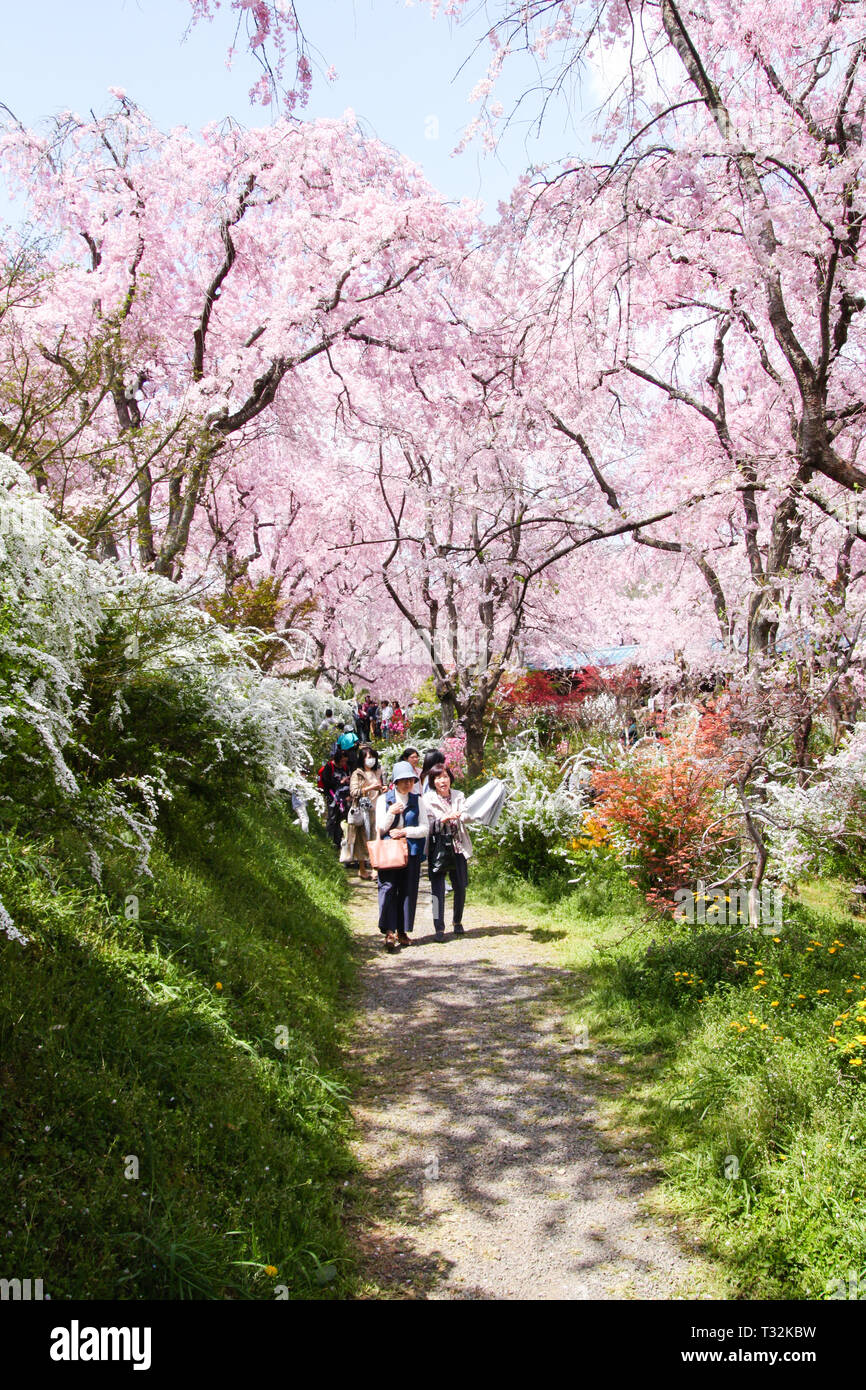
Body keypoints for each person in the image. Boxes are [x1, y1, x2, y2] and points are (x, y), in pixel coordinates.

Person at [375, 760, 429, 952]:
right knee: (388, 888)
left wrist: (406, 831)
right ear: (395, 782)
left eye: (411, 780)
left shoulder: (418, 800)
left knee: (408, 890)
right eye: (403, 780)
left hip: (411, 851)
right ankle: (388, 931)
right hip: (390, 852)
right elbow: (380, 828)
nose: (407, 784)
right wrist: (391, 813)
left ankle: (402, 930)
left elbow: (425, 828)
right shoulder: (384, 800)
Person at [423, 765, 475, 940]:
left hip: (458, 845)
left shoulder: (459, 796)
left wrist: (461, 815)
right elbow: (427, 825)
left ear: (450, 778)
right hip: (438, 847)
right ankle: (439, 927)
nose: (442, 781)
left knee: (460, 886)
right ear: (432, 781)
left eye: (444, 776)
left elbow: (469, 816)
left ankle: (457, 921)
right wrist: (441, 820)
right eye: (437, 778)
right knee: (437, 889)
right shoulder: (427, 799)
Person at [348, 744, 385, 880]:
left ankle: (375, 868)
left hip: (378, 809)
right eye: (369, 757)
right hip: (364, 810)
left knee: (376, 838)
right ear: (362, 759)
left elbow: (379, 788)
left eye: (373, 757)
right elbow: (353, 792)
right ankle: (362, 868)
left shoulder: (378, 772)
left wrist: (382, 789)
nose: (371, 760)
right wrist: (369, 788)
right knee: (363, 839)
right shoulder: (357, 774)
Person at [320, 750, 351, 851]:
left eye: (345, 761)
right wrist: (340, 782)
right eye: (342, 761)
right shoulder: (329, 767)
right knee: (332, 817)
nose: (343, 763)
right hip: (332, 796)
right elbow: (326, 782)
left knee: (340, 818)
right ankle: (329, 840)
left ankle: (337, 841)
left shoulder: (345, 768)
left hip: (343, 797)